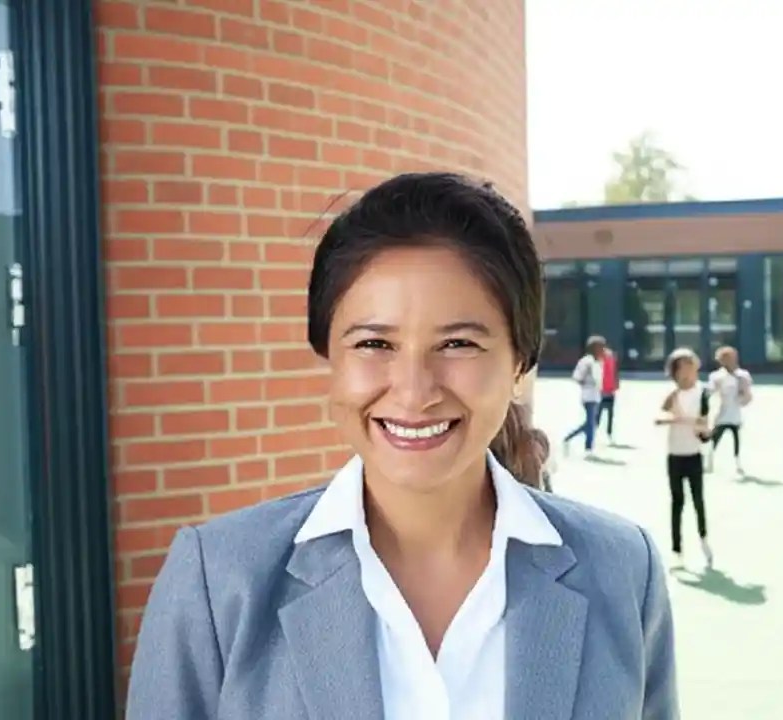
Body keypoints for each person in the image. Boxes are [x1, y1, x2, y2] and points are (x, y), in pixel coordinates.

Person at [125, 173, 678, 719]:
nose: (415, 391)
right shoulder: (219, 582)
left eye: (458, 343)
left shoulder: (623, 570)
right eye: (374, 343)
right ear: (330, 359)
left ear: (518, 363)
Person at [656, 348, 713, 569]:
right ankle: (677, 549)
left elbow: (706, 427)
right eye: (683, 368)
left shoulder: (703, 393)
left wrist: (698, 426)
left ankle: (704, 540)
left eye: (691, 366)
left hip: (694, 455)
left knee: (698, 500)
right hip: (674, 455)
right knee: (677, 502)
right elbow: (659, 416)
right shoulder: (673, 395)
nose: (688, 372)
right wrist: (677, 418)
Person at [706, 346, 752, 475]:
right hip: (721, 413)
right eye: (726, 359)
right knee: (714, 439)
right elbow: (710, 391)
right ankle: (708, 462)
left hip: (736, 414)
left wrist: (744, 395)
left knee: (736, 440)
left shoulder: (743, 375)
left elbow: (747, 396)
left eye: (732, 358)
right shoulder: (717, 376)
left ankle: (738, 463)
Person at [563, 336, 606, 457]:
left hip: (596, 396)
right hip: (588, 396)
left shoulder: (598, 362)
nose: (603, 350)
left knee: (592, 423)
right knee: (591, 423)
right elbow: (577, 376)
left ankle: (568, 438)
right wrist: (586, 383)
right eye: (601, 347)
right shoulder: (586, 361)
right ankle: (588, 448)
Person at [596, 345, 621, 443]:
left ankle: (600, 433)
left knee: (601, 414)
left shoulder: (604, 362)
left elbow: (614, 374)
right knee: (607, 414)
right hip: (607, 391)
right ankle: (607, 433)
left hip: (606, 391)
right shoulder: (607, 362)